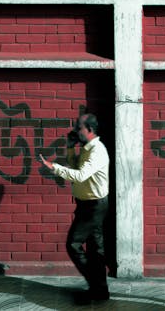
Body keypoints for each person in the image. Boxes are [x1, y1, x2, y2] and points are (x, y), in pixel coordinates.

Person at [39, 113, 110, 304]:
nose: (75, 131)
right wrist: (70, 148)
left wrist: (53, 166)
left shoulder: (97, 151)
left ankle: (96, 285)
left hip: (94, 206)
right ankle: (100, 292)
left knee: (73, 244)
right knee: (96, 249)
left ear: (90, 130)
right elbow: (76, 166)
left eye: (79, 128)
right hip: (87, 204)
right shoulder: (87, 148)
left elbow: (80, 176)